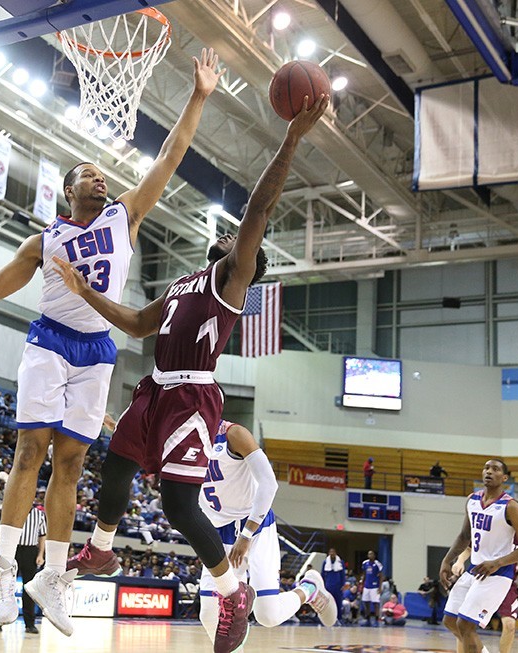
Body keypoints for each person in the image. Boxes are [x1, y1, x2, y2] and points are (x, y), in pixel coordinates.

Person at [0, 48, 224, 637]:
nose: (101, 176)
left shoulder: (124, 217)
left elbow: (170, 157)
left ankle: (51, 578)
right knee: (31, 451)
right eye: (88, 173)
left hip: (98, 349)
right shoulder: (43, 241)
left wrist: (198, 96)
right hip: (50, 341)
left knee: (71, 465)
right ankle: (0, 568)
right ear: (68, 191)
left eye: (103, 173)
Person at [56, 97, 328, 653]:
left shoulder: (231, 285)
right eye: (228, 239)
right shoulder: (185, 284)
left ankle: (233, 595)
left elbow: (259, 210)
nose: (230, 236)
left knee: (178, 507)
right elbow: (134, 323)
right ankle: (101, 547)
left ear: (244, 266)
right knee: (116, 463)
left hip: (192, 395)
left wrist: (293, 139)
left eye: (237, 242)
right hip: (156, 385)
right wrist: (87, 293)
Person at [190, 421, 335, 643]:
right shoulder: (179, 437)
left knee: (267, 615)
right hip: (217, 530)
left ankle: (309, 589)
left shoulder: (233, 434)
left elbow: (269, 484)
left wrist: (247, 535)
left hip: (254, 527)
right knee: (209, 614)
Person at [440, 459, 518, 653]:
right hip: (474, 569)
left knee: (465, 625)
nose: (489, 472)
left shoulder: (510, 506)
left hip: (498, 573)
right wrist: (446, 560)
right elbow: (464, 536)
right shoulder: (472, 500)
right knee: (450, 620)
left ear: (504, 478)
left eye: (495, 469)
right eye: (486, 468)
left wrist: (497, 562)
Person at [0, 500, 46, 635]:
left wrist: (41, 554)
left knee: (29, 589)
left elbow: (42, 536)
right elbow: (2, 531)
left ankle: (30, 624)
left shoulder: (39, 514)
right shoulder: (13, 509)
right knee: (4, 585)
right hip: (12, 549)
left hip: (30, 551)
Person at [359, 550, 384, 626]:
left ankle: (376, 619)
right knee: (366, 602)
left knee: (375, 603)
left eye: (371, 554)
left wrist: (380, 587)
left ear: (374, 555)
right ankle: (368, 618)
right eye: (369, 554)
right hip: (367, 586)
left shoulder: (377, 564)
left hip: (374, 586)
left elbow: (381, 576)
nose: (370, 555)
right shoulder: (365, 563)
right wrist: (362, 585)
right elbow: (364, 574)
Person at [322, 548, 347, 625]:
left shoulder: (340, 562)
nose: (332, 553)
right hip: (328, 585)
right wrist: (322, 585)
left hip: (338, 586)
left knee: (338, 602)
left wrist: (343, 585)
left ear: (335, 553)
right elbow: (322, 574)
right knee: (328, 602)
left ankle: (339, 618)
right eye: (330, 552)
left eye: (333, 552)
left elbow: (343, 575)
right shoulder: (325, 562)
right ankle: (328, 619)